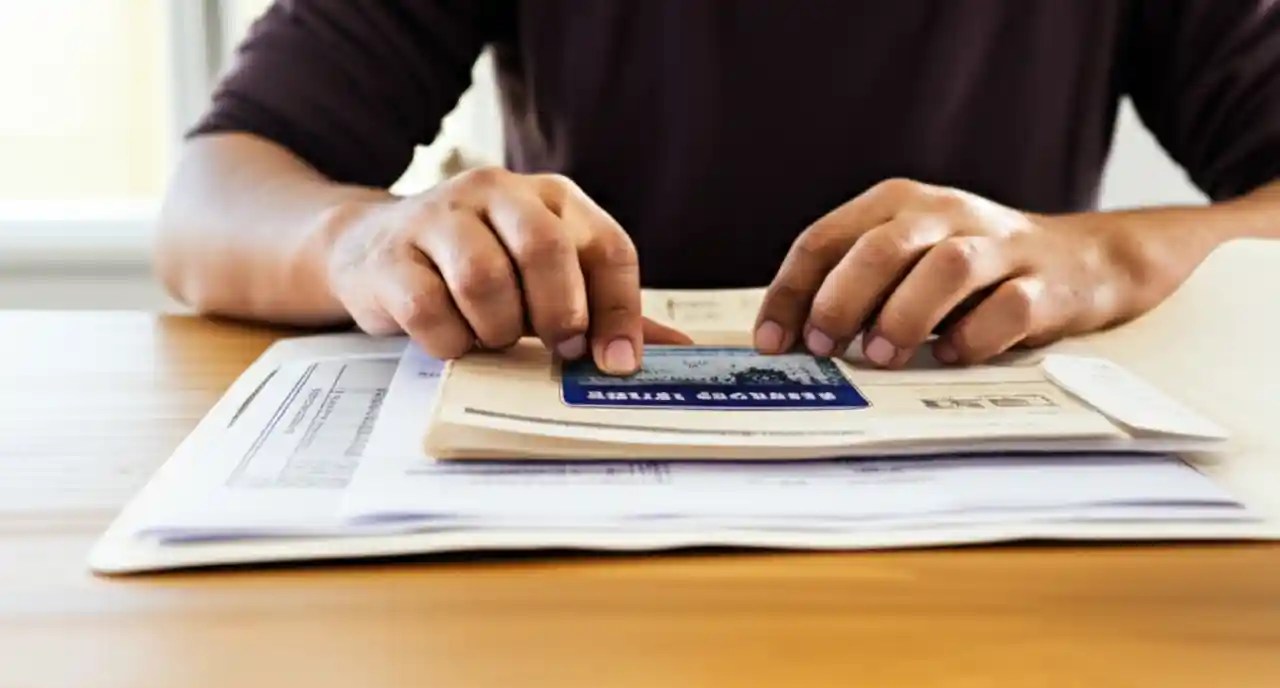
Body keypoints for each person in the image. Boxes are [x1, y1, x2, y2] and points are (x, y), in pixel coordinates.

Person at [156, 1, 1280, 376]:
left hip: (992, 472)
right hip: (569, 479)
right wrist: (367, 239)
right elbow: (212, 196)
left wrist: (1101, 255)